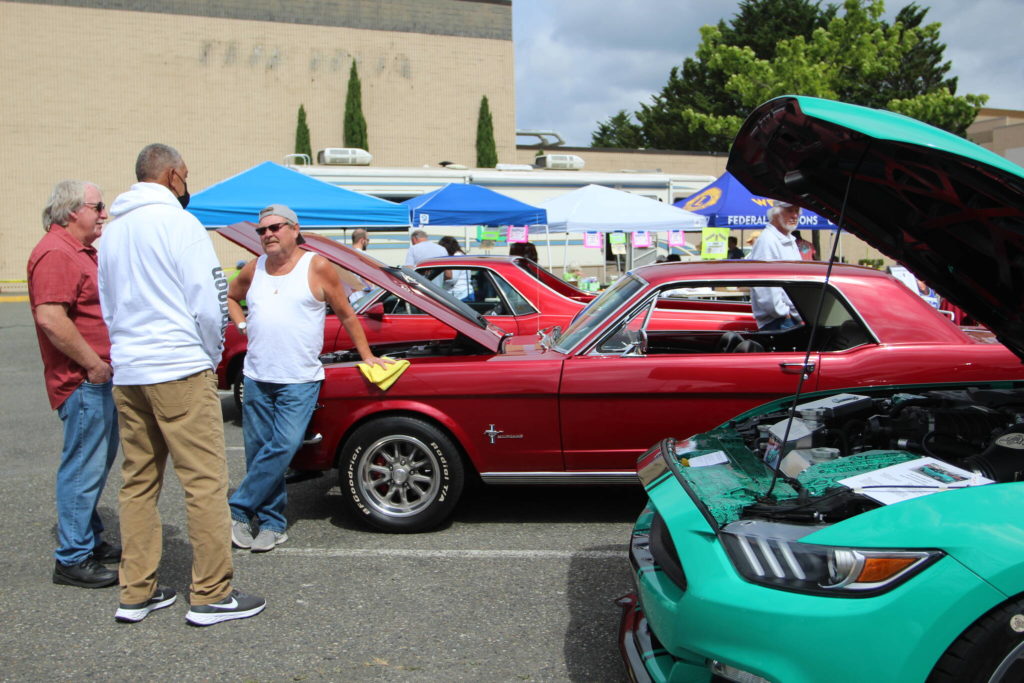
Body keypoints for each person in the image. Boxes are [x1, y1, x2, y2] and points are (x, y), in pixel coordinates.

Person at [99, 143, 265, 626]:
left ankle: (136, 591)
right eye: (185, 175)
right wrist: (212, 356)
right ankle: (212, 594)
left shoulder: (112, 233)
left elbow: (108, 305)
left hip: (131, 370)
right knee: (205, 482)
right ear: (172, 175)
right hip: (178, 366)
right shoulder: (180, 224)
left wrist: (126, 350)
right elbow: (209, 303)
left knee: (138, 483)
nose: (186, 183)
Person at [226, 204, 390, 553]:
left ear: (294, 229)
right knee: (258, 453)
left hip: (299, 380)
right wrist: (242, 325)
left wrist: (367, 356)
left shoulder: (316, 266)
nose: (268, 234)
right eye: (262, 230)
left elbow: (347, 314)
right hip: (255, 376)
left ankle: (238, 508)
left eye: (275, 228)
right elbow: (230, 297)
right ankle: (271, 523)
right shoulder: (254, 268)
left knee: (283, 447)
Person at [28, 180, 120, 589]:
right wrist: (93, 365)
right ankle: (72, 558)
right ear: (71, 212)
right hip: (82, 381)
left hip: (93, 379)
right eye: (97, 206)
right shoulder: (56, 253)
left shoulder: (78, 252)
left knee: (93, 465)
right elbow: (51, 318)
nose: (103, 213)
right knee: (83, 467)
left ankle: (89, 538)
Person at [748, 200, 803, 331]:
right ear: (775, 214)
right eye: (790, 210)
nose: (795, 215)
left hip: (789, 318)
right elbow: (766, 287)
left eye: (797, 211)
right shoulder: (768, 241)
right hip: (780, 321)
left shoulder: (788, 239)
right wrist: (784, 313)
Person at [437, 236, 473, 301]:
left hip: (459, 294)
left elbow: (452, 278)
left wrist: (441, 278)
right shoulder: (461, 256)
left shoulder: (456, 257)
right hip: (463, 292)